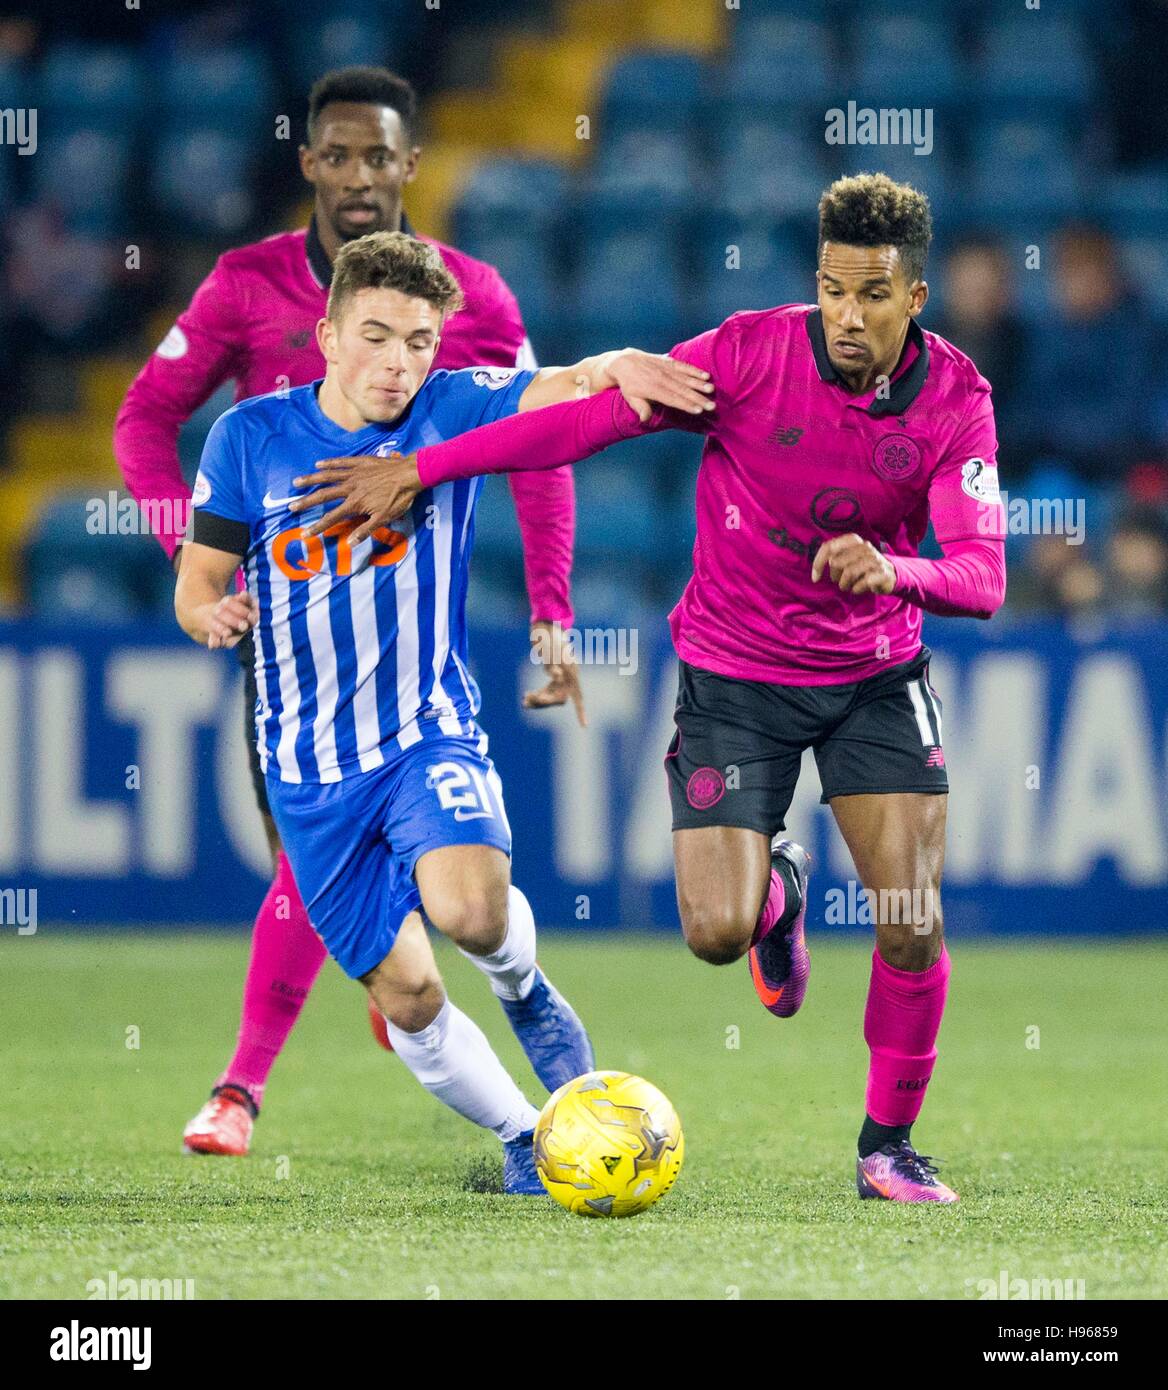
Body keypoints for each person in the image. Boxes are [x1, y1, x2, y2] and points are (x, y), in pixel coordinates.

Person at [296, 174, 1009, 1204]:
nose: (848, 314)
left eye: (873, 295)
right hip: (735, 670)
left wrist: (896, 570)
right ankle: (778, 895)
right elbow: (578, 427)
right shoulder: (748, 355)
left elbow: (982, 576)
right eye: (832, 288)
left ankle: (885, 1146)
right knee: (715, 933)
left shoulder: (956, 399)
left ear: (916, 297)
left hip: (873, 673)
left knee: (907, 915)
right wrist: (430, 467)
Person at [174, 231, 712, 1191]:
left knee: (471, 912)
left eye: (419, 341)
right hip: (307, 772)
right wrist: (211, 611)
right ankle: (524, 1137)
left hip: (428, 731)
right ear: (328, 335)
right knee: (410, 995)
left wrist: (612, 366)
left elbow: (557, 398)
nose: (398, 362)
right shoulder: (248, 438)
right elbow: (197, 578)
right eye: (376, 336)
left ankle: (522, 984)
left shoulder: (451, 409)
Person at [114, 67, 582, 1156]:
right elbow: (146, 420)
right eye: (342, 155)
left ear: (410, 165)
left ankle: (246, 1083)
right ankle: (354, 1072)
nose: (362, 177)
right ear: (310, 163)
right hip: (285, 643)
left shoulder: (471, 300)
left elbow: (543, 445)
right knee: (333, 889)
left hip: (415, 667)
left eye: (382, 157)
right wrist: (196, 568)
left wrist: (552, 612)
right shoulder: (244, 289)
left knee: (456, 904)